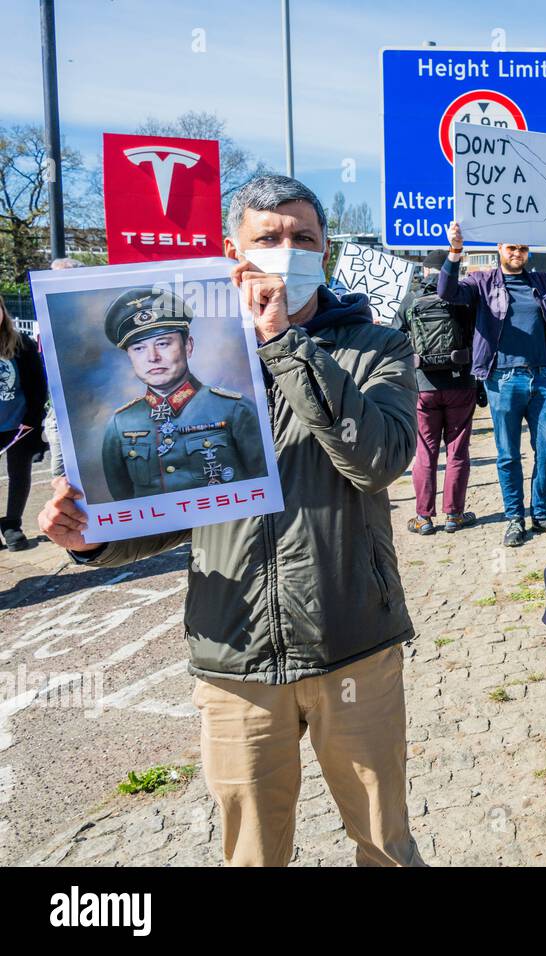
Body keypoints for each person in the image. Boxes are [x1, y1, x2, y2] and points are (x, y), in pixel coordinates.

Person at [39, 175, 424, 867]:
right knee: (250, 854)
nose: (286, 252)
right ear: (230, 252)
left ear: (326, 251)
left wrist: (282, 344)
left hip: (353, 639)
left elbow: (377, 461)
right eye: (267, 239)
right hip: (235, 653)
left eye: (303, 238)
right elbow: (176, 510)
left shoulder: (376, 347)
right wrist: (94, 537)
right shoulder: (192, 372)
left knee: (385, 843)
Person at [437, 225, 546, 547]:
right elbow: (446, 291)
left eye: (523, 249)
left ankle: (540, 513)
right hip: (503, 379)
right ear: (499, 247)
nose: (517, 254)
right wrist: (455, 252)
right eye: (512, 247)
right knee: (508, 455)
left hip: (541, 378)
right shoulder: (482, 283)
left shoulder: (544, 283)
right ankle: (515, 518)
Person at [99, 286, 265, 501]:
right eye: (139, 348)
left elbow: (263, 482)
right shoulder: (120, 423)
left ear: (188, 346)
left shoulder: (235, 409)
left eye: (163, 343)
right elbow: (123, 496)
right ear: (130, 357)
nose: (152, 357)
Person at [395, 251, 477, 534]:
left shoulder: (411, 300)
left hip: (423, 386)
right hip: (460, 384)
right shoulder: (463, 299)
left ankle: (423, 517)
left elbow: (396, 338)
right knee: (457, 451)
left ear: (426, 271)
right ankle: (454, 515)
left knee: (425, 451)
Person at [0, 297, 48, 551]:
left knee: (19, 474)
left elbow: (38, 385)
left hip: (18, 425)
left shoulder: (21, 344)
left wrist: (32, 420)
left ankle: (12, 524)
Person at [43, 256, 83, 479]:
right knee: (60, 476)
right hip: (58, 414)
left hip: (89, 412)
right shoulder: (47, 318)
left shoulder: (91, 317)